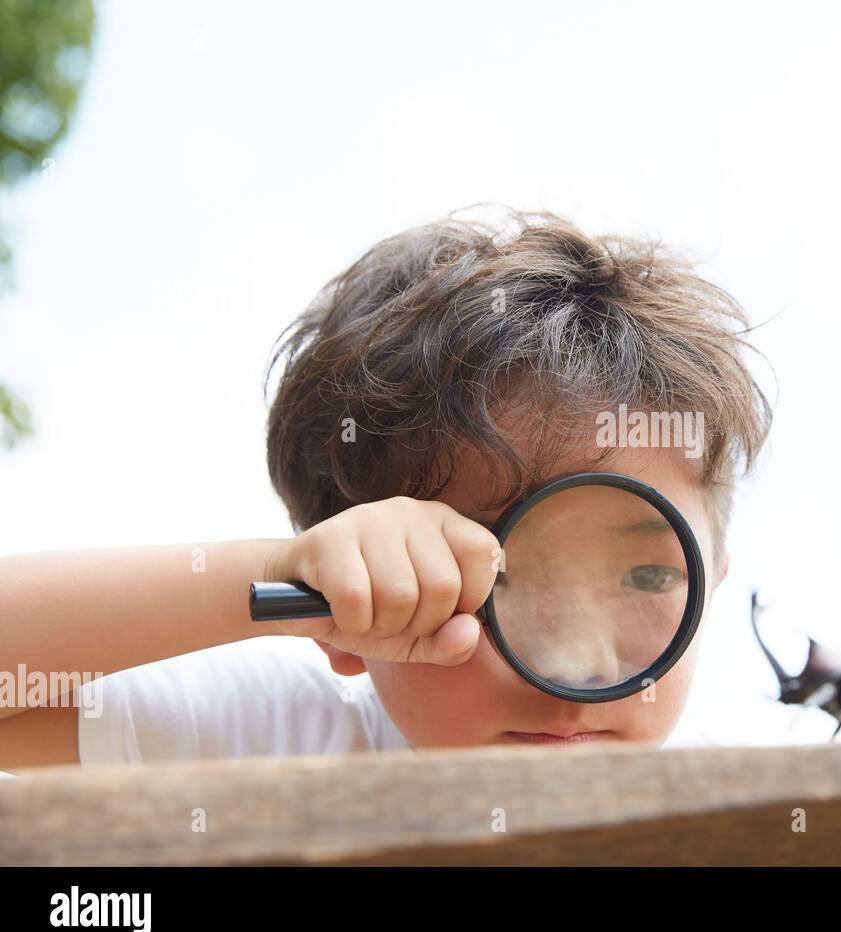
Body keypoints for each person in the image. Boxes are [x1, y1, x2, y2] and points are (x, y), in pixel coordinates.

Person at [0, 206, 772, 769]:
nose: (577, 664)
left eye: (648, 575)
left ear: (715, 581)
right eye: (486, 572)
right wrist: (280, 578)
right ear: (348, 618)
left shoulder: (754, 821)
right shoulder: (271, 747)